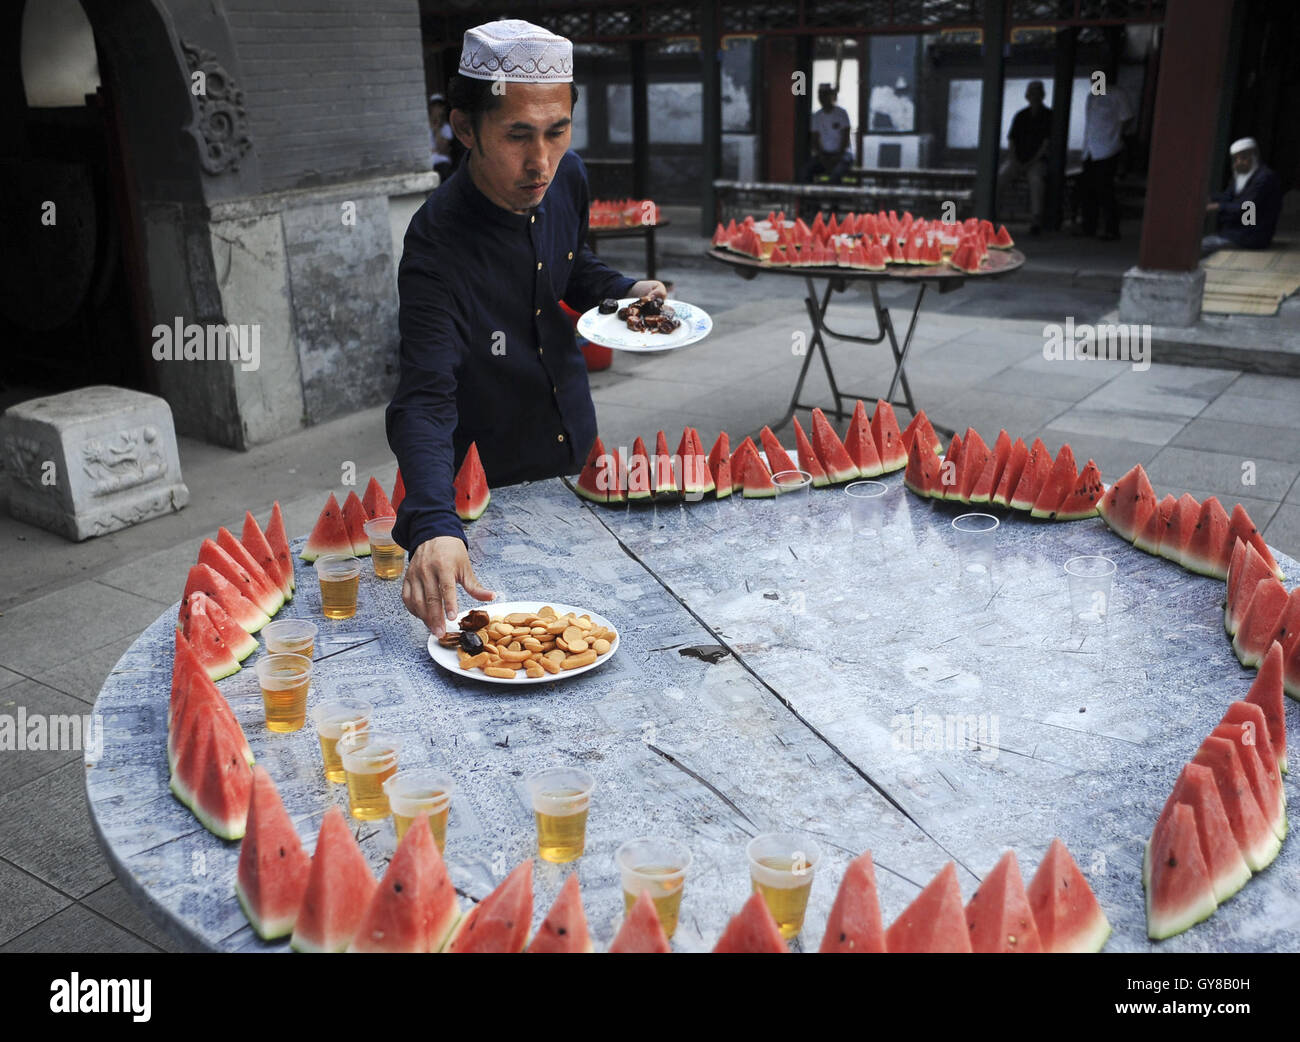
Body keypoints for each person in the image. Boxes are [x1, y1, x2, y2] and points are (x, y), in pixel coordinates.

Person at [387, 19, 666, 637]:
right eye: (517, 136)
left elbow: (570, 266)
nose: (540, 162)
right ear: (465, 129)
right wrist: (433, 523)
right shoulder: (435, 242)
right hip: (490, 487)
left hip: (578, 445)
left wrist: (625, 290)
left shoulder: (568, 178)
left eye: (557, 131)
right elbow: (424, 396)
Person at [1202, 137, 1283, 256]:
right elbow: (1228, 196)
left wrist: (1217, 206)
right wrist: (1210, 199)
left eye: (1244, 158)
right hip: (1235, 232)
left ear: (1254, 157)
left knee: (1201, 245)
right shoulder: (1240, 175)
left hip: (1252, 235)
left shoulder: (1265, 178)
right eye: (1236, 159)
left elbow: (1247, 208)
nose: (1239, 162)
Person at [1076, 83, 1133, 240]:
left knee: (1105, 189)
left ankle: (1111, 229)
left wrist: (1117, 136)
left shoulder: (1117, 94)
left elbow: (1127, 118)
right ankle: (1089, 226)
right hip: (1090, 150)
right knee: (1087, 189)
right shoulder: (1092, 95)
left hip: (1108, 148)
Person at [999, 81, 1051, 235]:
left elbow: (1046, 144)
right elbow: (1012, 140)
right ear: (1027, 96)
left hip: (1037, 160)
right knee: (1000, 178)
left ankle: (1036, 219)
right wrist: (1014, 160)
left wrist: (1031, 162)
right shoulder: (1021, 116)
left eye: (1037, 93)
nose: (1034, 96)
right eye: (1031, 93)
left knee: (1036, 181)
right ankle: (991, 215)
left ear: (1042, 95)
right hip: (1017, 159)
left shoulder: (1049, 116)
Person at [802, 85, 852, 183]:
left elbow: (845, 139)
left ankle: (834, 198)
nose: (822, 98)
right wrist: (823, 157)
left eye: (825, 95)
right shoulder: (816, 116)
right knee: (805, 172)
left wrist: (836, 157)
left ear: (832, 96)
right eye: (820, 95)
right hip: (823, 156)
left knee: (836, 175)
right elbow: (814, 140)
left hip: (843, 155)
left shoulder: (842, 113)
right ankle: (810, 198)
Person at [427, 92, 455, 180]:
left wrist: (437, 129)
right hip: (427, 161)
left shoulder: (446, 127)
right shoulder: (424, 126)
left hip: (441, 162)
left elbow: (442, 150)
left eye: (440, 106)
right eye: (435, 106)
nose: (438, 109)